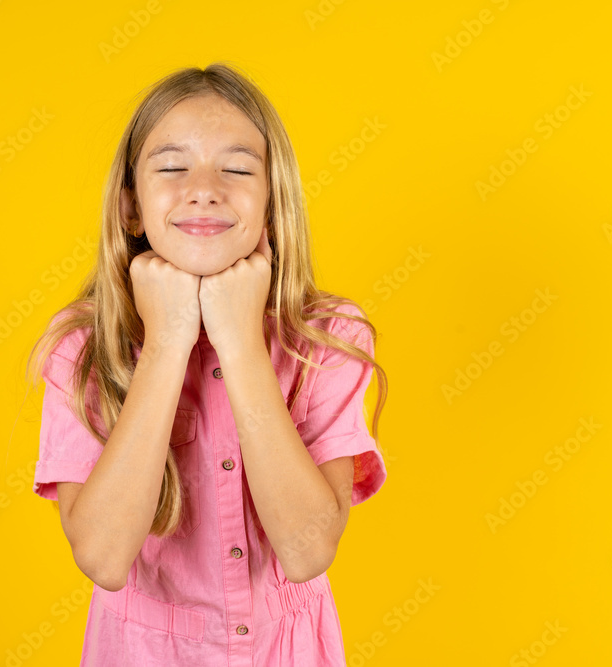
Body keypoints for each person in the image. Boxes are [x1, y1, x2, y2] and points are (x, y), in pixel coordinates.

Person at [25, 62, 389, 666]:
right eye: (172, 167)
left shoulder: (327, 335)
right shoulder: (84, 345)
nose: (204, 188)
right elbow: (103, 557)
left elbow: (306, 553)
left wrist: (240, 340)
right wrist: (167, 341)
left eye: (237, 169)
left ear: (271, 205)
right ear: (131, 208)